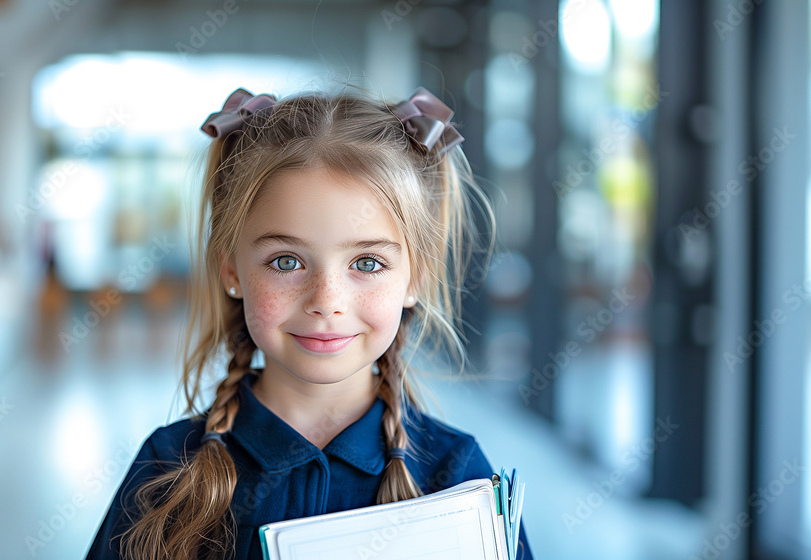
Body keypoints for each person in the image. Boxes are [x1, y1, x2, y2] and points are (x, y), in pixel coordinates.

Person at [85, 86, 533, 560]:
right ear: (232, 270)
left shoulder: (458, 477)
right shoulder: (168, 467)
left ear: (415, 277)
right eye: (285, 262)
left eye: (366, 263)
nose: (326, 302)